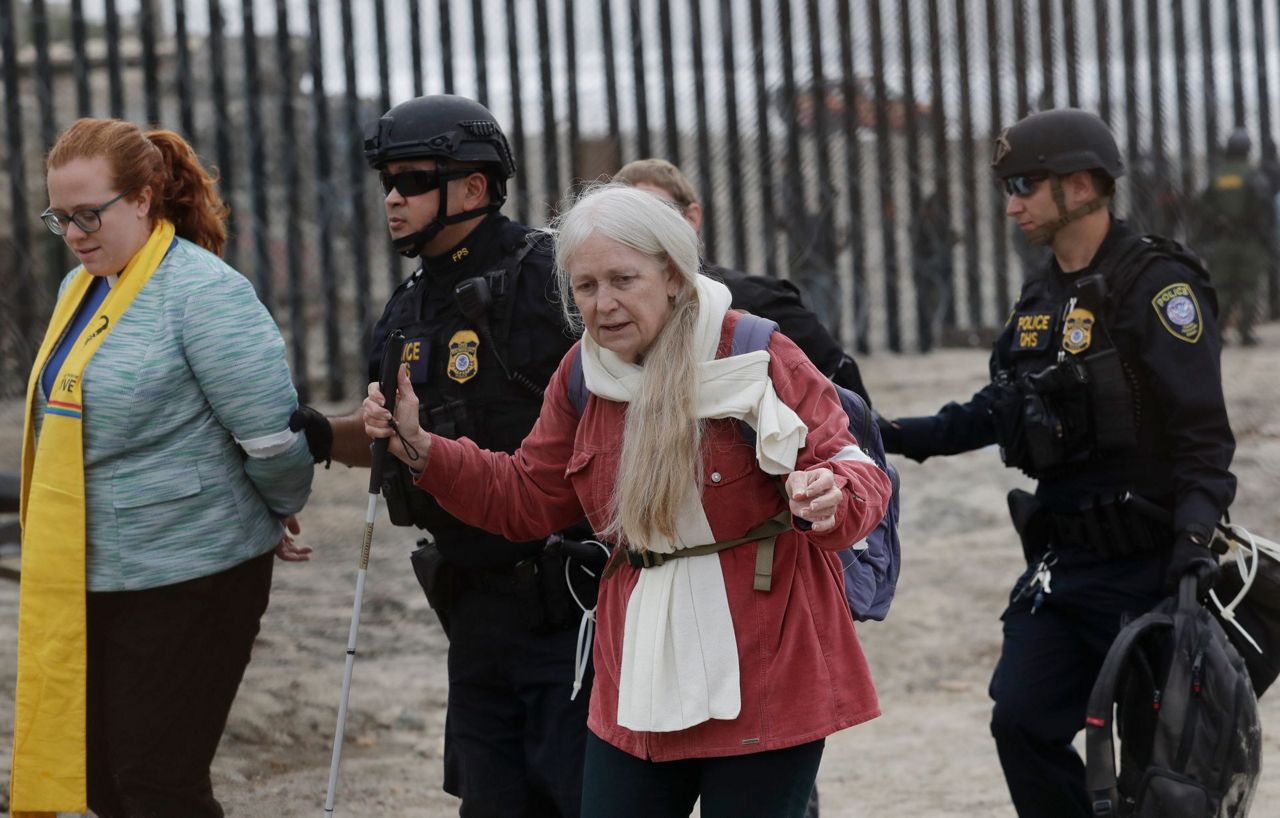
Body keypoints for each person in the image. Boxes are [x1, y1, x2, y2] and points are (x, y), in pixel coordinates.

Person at [362, 184, 894, 818]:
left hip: (767, 660)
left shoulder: (755, 350)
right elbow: (528, 495)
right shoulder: (583, 374)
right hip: (638, 663)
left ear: (671, 274)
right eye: (585, 287)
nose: (603, 304)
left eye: (622, 279)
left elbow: (851, 465)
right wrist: (423, 450)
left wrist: (829, 494)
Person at [877, 109, 1235, 818]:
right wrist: (891, 432)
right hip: (1065, 563)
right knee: (1021, 721)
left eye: (1024, 185)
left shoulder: (1157, 287)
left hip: (1150, 567)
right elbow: (1002, 406)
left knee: (1155, 773)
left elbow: (1203, 435)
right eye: (1010, 186)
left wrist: (1194, 546)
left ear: (1082, 186)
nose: (1012, 203)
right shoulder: (1042, 292)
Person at [288, 94, 590, 817]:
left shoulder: (552, 280)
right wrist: (321, 436)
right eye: (388, 180)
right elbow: (398, 435)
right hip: (473, 607)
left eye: (414, 179)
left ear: (474, 186)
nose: (393, 197)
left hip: (572, 604)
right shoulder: (408, 308)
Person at [11, 117, 313, 817]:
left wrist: (277, 505)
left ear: (144, 198)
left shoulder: (204, 294)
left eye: (91, 213)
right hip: (92, 574)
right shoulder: (78, 289)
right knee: (101, 781)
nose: (76, 232)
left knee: (157, 783)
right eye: (61, 218)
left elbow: (272, 436)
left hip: (193, 578)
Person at [611, 157, 872, 407]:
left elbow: (846, 397)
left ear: (691, 217)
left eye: (656, 211)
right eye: (626, 218)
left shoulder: (757, 301)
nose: (641, 228)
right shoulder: (594, 313)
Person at [1190, 127, 1276, 346]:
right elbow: (1263, 205)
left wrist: (1216, 222)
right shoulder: (1252, 175)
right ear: (1247, 149)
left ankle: (1218, 332)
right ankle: (1245, 333)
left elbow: (1201, 205)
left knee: (1221, 287)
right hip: (1249, 240)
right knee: (1248, 286)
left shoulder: (1217, 175)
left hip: (1222, 240)